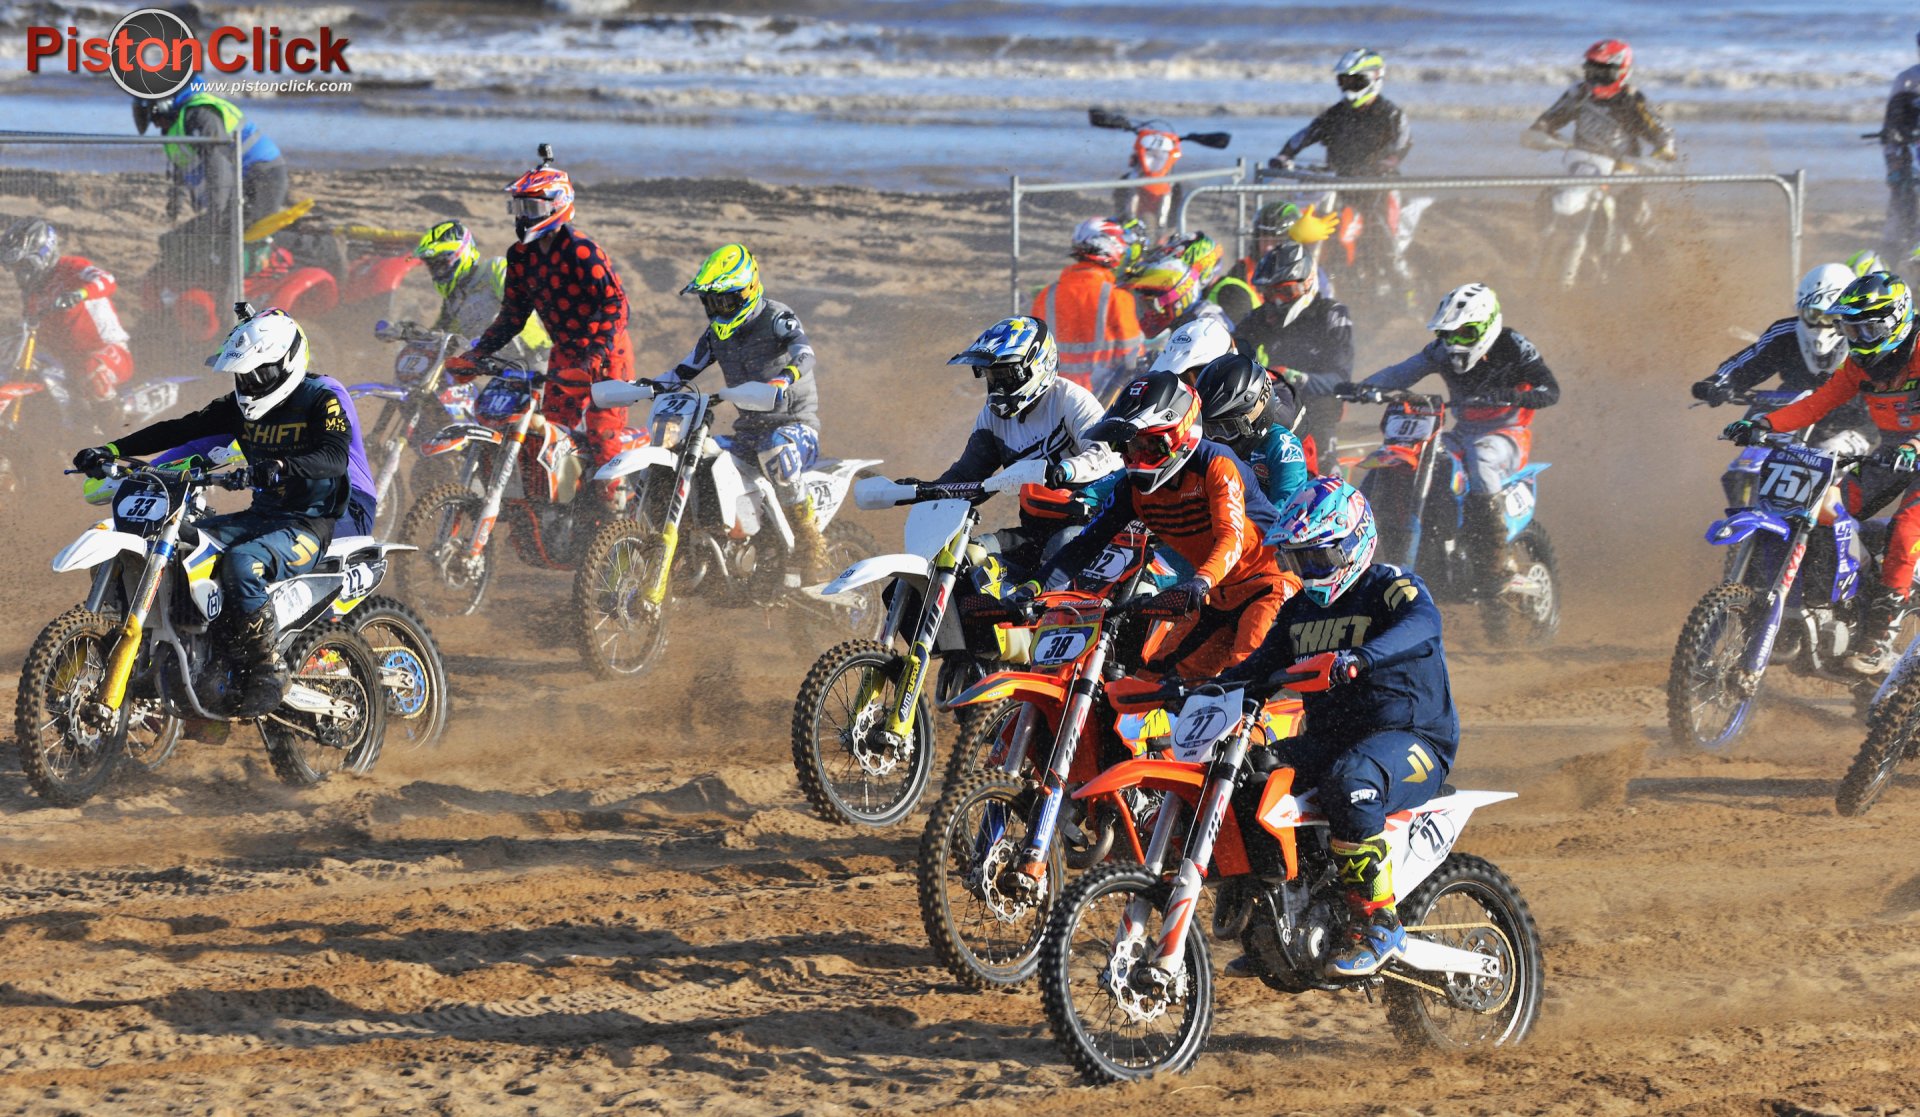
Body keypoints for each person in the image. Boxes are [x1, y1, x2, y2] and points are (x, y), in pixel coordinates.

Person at [1214, 477, 1457, 977]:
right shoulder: (1299, 609)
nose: (1310, 572)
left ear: (1355, 543)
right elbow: (1256, 668)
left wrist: (1361, 658)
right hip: (1330, 742)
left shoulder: (1389, 587)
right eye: (1301, 561)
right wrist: (1187, 688)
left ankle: (1378, 920)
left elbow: (1425, 624)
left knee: (1351, 783)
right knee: (1248, 775)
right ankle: (1278, 916)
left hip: (1414, 742)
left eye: (1319, 559)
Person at [70, 307, 362, 718]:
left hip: (306, 523)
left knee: (242, 565)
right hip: (259, 517)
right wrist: (114, 449)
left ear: (286, 363)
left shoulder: (320, 401)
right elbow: (182, 427)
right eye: (243, 375)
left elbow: (333, 456)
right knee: (183, 546)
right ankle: (192, 654)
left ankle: (266, 670)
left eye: (258, 374)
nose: (249, 383)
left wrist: (280, 466)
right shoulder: (237, 407)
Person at [1017, 370, 1297, 679]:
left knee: (1246, 681)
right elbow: (1087, 543)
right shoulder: (1132, 489)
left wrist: (1200, 581)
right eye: (1127, 447)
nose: (1135, 457)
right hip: (1217, 594)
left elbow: (1230, 537)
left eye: (1147, 445)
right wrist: (1033, 586)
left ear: (1177, 435)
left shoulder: (1217, 463)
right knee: (1153, 683)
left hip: (1271, 584)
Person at [1724, 271, 1920, 674]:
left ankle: (1879, 639)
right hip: (1892, 454)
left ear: (1896, 319)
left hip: (1913, 452)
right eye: (1853, 328)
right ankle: (1830, 604)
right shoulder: (1860, 366)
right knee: (1825, 508)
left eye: (1870, 327)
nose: (1862, 338)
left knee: (1906, 529)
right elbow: (1818, 402)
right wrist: (1765, 425)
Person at [1349, 283, 1559, 593]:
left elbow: (1550, 390)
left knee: (1482, 462)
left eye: (1464, 334)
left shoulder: (1513, 345)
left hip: (1506, 433)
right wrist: (1365, 387)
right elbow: (1403, 372)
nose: (1454, 344)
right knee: (1415, 457)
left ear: (1487, 326)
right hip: (1462, 433)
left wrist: (1510, 395)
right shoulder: (1441, 351)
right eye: (1447, 335)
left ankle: (1494, 562)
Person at [446, 153, 635, 485]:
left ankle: (616, 512)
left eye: (531, 209)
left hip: (607, 356)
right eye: (519, 208)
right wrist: (477, 355)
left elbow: (616, 305)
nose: (522, 217)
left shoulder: (582, 252)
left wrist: (596, 353)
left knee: (603, 436)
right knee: (545, 440)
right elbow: (513, 316)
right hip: (564, 352)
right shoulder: (519, 256)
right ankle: (556, 521)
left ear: (557, 205)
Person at [665, 243, 830, 582]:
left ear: (748, 290)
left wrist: (785, 378)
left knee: (776, 449)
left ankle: (809, 539)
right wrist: (644, 387)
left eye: (725, 300)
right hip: (749, 433)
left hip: (796, 429)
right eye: (712, 302)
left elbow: (806, 353)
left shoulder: (776, 317)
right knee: (698, 457)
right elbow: (683, 370)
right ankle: (711, 546)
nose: (718, 309)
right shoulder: (715, 335)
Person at [930, 316, 1122, 576]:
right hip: (1034, 533)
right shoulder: (992, 417)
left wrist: (1062, 471)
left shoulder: (1069, 399)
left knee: (1061, 546)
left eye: (1005, 376)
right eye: (991, 377)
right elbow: (968, 475)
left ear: (1036, 366)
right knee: (965, 559)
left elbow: (1105, 453)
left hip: (1093, 526)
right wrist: (927, 490)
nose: (997, 387)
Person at [1691, 263, 1871, 459]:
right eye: (1813, 314)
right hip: (1790, 413)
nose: (1820, 324)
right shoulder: (1784, 334)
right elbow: (1748, 363)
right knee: (1754, 447)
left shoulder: (1863, 338)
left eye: (1829, 316)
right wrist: (1718, 382)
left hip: (1852, 423)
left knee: (1828, 455)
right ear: (1800, 310)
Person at [1268, 49, 1414, 289]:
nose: (1349, 86)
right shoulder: (1337, 113)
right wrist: (1284, 155)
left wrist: (1385, 163)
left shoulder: (1390, 114)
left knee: (1382, 236)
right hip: (1338, 184)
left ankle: (1404, 292)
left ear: (1375, 77)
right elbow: (1306, 134)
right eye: (1344, 80)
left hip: (1377, 188)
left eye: (1356, 80)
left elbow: (1401, 143)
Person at [134, 83, 288, 289]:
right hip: (237, 191)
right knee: (174, 241)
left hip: (261, 184)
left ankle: (228, 308)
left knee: (226, 246)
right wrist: (176, 200)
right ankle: (188, 293)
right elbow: (182, 164)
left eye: (155, 118)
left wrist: (217, 214)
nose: (156, 124)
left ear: (165, 105)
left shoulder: (201, 115)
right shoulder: (177, 123)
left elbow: (219, 168)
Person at [1234, 241, 1355, 473]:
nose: (1277, 301)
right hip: (1271, 400)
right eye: (1269, 292)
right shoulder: (1263, 316)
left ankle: (1329, 472)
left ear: (1307, 283)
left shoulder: (1331, 313)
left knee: (1322, 469)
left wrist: (1296, 377)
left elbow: (1341, 379)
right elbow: (1233, 344)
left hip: (1317, 405)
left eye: (1285, 291)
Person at [0, 218, 133, 401]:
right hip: (65, 362)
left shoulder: (70, 267)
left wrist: (79, 294)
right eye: (15, 268)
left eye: (24, 266)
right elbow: (31, 333)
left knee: (93, 371)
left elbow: (107, 280)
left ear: (43, 254)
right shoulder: (32, 296)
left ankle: (115, 428)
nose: (20, 274)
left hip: (105, 350)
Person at [412, 220, 551, 366]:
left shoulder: (493, 270)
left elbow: (517, 309)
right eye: (432, 266)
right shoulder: (454, 300)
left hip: (536, 358)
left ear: (460, 255)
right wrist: (409, 334)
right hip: (500, 372)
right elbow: (441, 338)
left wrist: (486, 340)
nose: (436, 270)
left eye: (440, 263)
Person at [1030, 218, 1144, 396]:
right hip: (1102, 398)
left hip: (1053, 397)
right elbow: (1134, 360)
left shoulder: (1046, 296)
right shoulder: (1117, 298)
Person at [1525, 39, 1675, 163]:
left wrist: (1662, 151)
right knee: (1548, 196)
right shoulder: (1578, 94)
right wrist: (1550, 140)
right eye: (1592, 72)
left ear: (1622, 72)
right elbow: (1542, 126)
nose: (1597, 79)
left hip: (1624, 169)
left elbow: (1662, 135)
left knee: (1631, 199)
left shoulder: (1631, 100)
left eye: (1604, 73)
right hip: (1581, 162)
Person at [1194, 352, 1311, 508]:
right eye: (1209, 428)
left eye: (1227, 428)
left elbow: (1287, 510)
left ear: (1255, 418)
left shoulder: (1282, 446)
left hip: (1266, 528)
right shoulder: (1202, 444)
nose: (1216, 438)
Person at [1877, 34, 1920, 260]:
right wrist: (1894, 136)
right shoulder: (1907, 80)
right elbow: (1891, 123)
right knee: (1901, 200)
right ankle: (1890, 257)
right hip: (1908, 153)